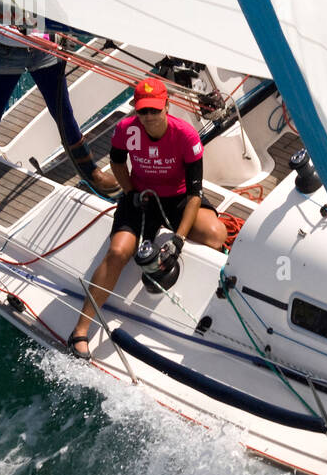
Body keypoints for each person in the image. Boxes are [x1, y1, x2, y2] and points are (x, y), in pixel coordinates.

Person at [67, 77, 227, 359]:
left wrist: (178, 239)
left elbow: (194, 194)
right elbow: (117, 162)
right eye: (143, 111)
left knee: (217, 234)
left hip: (179, 199)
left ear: (167, 106)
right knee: (117, 252)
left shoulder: (186, 136)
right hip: (142, 196)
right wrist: (131, 193)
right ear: (136, 110)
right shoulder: (125, 130)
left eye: (155, 109)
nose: (149, 116)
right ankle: (80, 331)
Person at [0, 23, 118, 210]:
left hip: (44, 47)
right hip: (7, 52)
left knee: (63, 114)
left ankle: (91, 171)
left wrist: (62, 29)